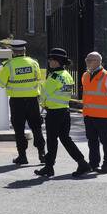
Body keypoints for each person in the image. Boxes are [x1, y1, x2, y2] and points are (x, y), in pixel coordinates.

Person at [36, 48, 91, 177]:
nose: (49, 62)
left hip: (54, 113)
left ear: (56, 62)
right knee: (65, 139)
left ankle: (49, 167)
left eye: (51, 59)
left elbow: (44, 94)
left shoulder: (54, 77)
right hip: (65, 111)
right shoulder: (67, 75)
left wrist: (42, 105)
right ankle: (82, 163)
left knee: (52, 140)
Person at [0, 39, 46, 166]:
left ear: (13, 52)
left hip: (17, 102)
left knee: (19, 129)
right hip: (32, 100)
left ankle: (22, 156)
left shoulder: (9, 65)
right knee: (36, 127)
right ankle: (42, 154)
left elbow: (1, 83)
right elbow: (38, 78)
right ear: (24, 51)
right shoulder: (34, 63)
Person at [81, 51, 107, 174]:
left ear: (98, 62)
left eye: (91, 60)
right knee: (92, 140)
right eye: (87, 59)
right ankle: (93, 163)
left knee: (105, 140)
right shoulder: (85, 76)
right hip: (88, 114)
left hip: (103, 115)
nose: (88, 62)